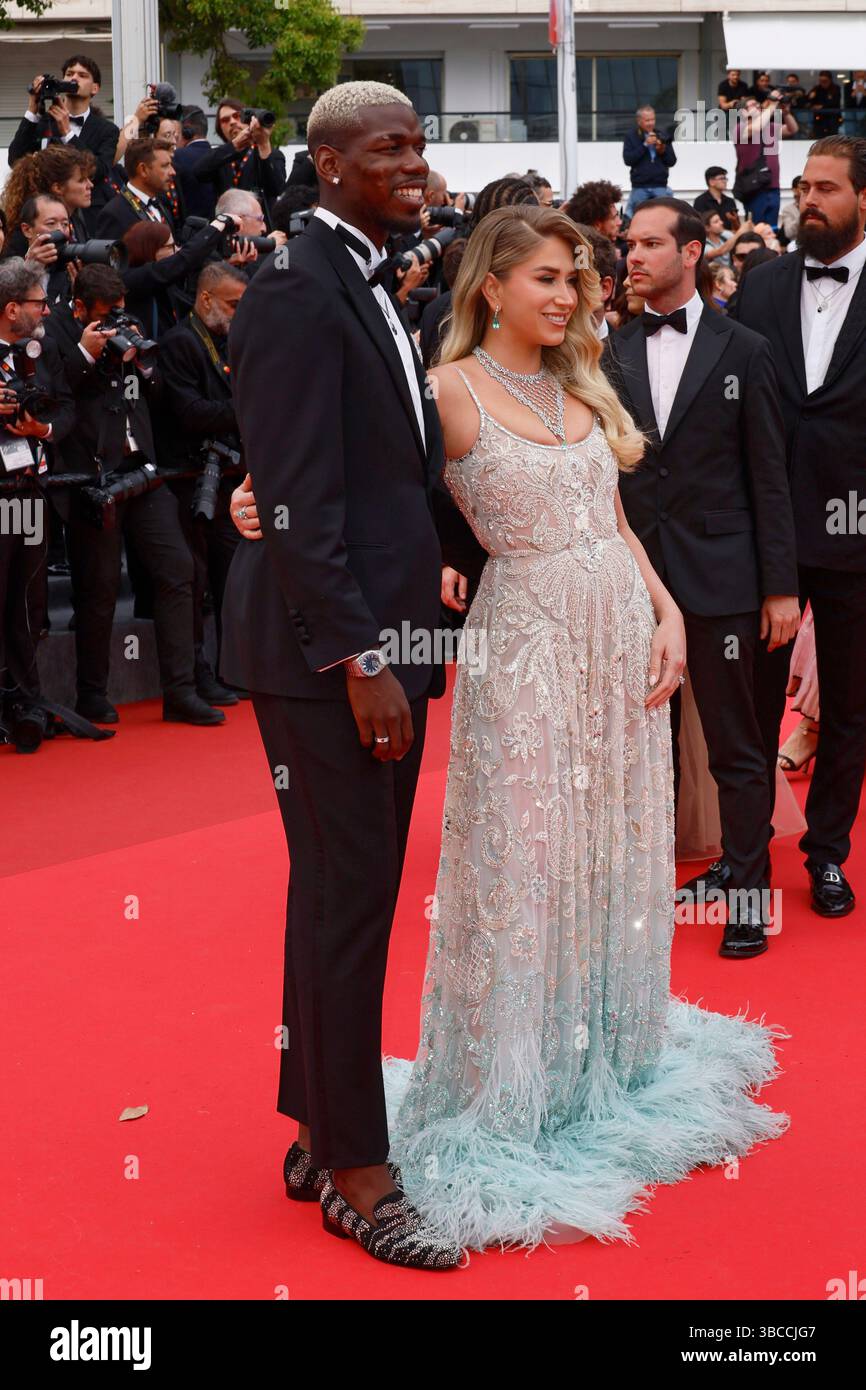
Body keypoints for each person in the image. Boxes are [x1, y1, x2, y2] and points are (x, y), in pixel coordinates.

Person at [231, 198, 792, 1253]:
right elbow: (350, 476)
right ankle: (504, 1079)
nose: (570, 295)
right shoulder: (443, 391)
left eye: (577, 278)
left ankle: (589, 1057)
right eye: (548, 277)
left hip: (618, 641)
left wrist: (667, 611)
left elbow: (612, 519)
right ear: (491, 285)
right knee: (524, 861)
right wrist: (252, 502)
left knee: (607, 853)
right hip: (523, 650)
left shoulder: (585, 379)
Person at [219, 80, 463, 1271]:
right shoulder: (296, 288)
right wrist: (361, 657)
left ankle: (318, 1124)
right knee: (351, 897)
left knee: (334, 890)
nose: (412, 165)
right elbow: (298, 499)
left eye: (417, 146)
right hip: (335, 655)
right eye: (387, 150)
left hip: (376, 638)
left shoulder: (360, 277)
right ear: (326, 162)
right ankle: (360, 1175)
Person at [603, 198, 799, 959]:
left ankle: (747, 895)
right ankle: (643, 892)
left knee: (736, 747)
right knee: (640, 745)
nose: (633, 256)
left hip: (723, 579)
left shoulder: (745, 349)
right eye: (629, 243)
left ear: (691, 253)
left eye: (650, 243)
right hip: (634, 581)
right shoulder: (609, 350)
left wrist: (780, 587)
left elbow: (770, 474)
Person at [737, 135, 866, 918]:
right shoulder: (760, 285)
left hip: (857, 540)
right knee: (752, 708)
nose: (809, 200)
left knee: (850, 708)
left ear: (863, 199)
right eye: (803, 187)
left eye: (827, 188)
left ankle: (827, 855)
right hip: (768, 536)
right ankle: (747, 859)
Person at [44, 264, 224, 727]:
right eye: (106, 314)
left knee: (178, 569)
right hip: (92, 479)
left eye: (120, 311)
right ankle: (92, 694)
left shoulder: (130, 327)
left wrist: (143, 362)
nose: (116, 321)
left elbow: (158, 394)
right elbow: (55, 397)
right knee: (99, 587)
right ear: (80, 308)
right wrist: (86, 354)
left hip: (142, 471)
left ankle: (180, 691)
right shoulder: (56, 332)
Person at [157, 262, 248, 705]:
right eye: (233, 304)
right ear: (206, 299)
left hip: (225, 477)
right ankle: (197, 676)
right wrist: (249, 409)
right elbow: (189, 413)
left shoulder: (228, 342)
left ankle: (233, 670)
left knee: (231, 579)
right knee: (194, 582)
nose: (238, 313)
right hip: (188, 480)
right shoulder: (180, 343)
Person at [0, 259, 75, 752]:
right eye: (38, 303)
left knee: (28, 600)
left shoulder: (42, 350)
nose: (47, 311)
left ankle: (27, 699)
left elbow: (67, 408)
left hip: (28, 491)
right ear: (12, 310)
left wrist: (41, 429)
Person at [7, 56, 119, 229]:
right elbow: (15, 159)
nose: (74, 78)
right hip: (43, 216)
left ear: (95, 88)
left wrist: (68, 134)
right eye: (69, 74)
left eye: (82, 75)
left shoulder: (107, 130)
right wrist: (32, 109)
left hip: (88, 218)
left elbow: (99, 171)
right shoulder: (44, 121)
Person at [120, 215, 226, 339]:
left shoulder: (162, 280)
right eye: (171, 246)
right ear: (151, 249)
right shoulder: (133, 279)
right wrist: (219, 224)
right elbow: (183, 260)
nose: (177, 250)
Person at [193, 99, 286, 220]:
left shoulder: (271, 153)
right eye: (225, 120)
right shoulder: (221, 155)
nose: (232, 122)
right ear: (220, 128)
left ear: (248, 119)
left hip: (259, 225)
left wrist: (263, 144)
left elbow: (276, 188)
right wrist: (233, 146)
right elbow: (198, 172)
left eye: (237, 116)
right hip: (228, 225)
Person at [733, 94, 798, 231]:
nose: (758, 106)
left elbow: (792, 129)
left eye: (758, 104)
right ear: (743, 112)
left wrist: (786, 113)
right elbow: (756, 128)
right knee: (757, 229)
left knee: (771, 229)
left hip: (773, 185)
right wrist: (773, 105)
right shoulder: (740, 128)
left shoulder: (769, 127)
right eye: (753, 105)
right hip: (754, 186)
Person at [96, 138, 177, 242]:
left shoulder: (160, 204)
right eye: (165, 166)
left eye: (171, 165)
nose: (173, 172)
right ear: (143, 170)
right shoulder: (114, 214)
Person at [622, 106, 676, 218]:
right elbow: (628, 160)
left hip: (660, 184)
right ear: (639, 121)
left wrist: (662, 150)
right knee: (639, 216)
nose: (651, 123)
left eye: (653, 119)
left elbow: (672, 161)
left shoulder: (662, 135)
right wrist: (645, 145)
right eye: (647, 120)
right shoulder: (631, 136)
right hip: (640, 186)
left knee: (662, 217)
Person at [171, 108, 215, 221]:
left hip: (188, 227)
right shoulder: (220, 156)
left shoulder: (177, 156)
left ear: (187, 132)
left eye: (176, 133)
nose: (174, 139)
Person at [692, 166, 740, 231]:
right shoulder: (700, 201)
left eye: (725, 178)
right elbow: (698, 226)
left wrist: (734, 221)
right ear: (711, 182)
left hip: (730, 234)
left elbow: (737, 227)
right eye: (722, 178)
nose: (725, 181)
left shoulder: (730, 201)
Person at [806, 73, 843, 139]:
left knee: (832, 138)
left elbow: (835, 102)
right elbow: (808, 101)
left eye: (825, 81)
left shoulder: (835, 88)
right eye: (821, 81)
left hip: (832, 118)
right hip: (819, 119)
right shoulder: (816, 88)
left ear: (830, 80)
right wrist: (810, 97)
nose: (823, 83)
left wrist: (822, 106)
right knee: (818, 137)